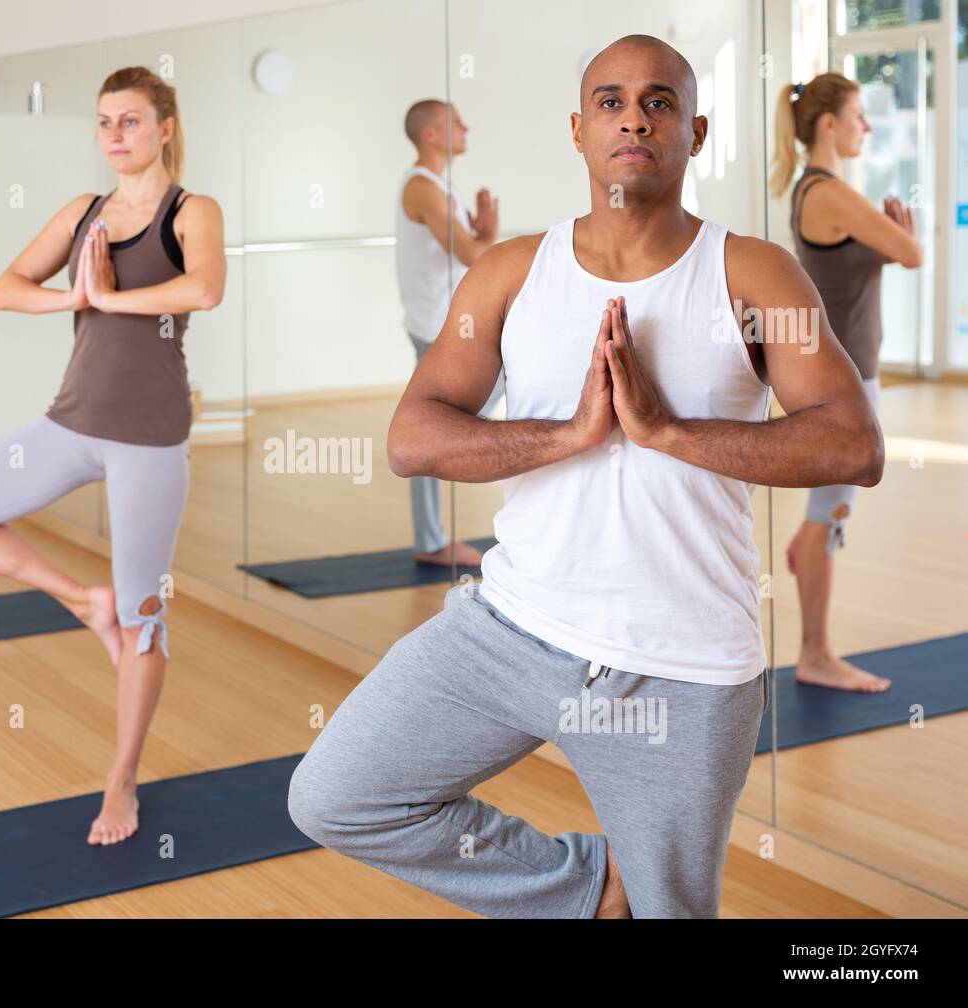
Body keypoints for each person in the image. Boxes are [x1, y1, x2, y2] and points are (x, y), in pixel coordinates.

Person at [289, 35, 883, 918]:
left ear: (696, 131)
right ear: (578, 130)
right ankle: (594, 888)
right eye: (610, 101)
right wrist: (572, 433)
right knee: (336, 796)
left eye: (659, 102)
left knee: (674, 911)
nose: (634, 118)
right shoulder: (510, 272)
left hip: (681, 668)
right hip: (508, 632)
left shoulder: (753, 272)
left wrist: (668, 430)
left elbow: (852, 447)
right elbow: (414, 437)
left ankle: (642, 891)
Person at [0, 67, 225, 847]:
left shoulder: (192, 211)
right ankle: (78, 599)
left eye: (130, 120)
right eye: (104, 122)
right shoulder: (83, 213)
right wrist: (75, 298)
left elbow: (205, 291)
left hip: (149, 440)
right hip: (70, 423)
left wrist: (112, 297)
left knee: (145, 623)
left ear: (165, 128)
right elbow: (5, 287)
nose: (115, 134)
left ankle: (121, 782)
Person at [771, 73, 921, 693]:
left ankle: (810, 547)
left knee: (827, 514)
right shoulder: (828, 191)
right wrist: (903, 234)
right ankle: (816, 654)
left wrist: (896, 238)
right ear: (829, 123)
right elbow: (913, 254)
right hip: (843, 382)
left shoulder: (825, 191)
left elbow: (887, 253)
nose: (869, 126)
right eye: (861, 114)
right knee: (833, 514)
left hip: (848, 373)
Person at [395, 99, 502, 567]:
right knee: (428, 426)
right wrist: (488, 234)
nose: (466, 125)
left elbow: (469, 250)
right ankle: (432, 540)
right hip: (437, 329)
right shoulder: (423, 187)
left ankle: (432, 535)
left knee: (434, 422)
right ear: (432, 134)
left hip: (443, 325)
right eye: (455, 120)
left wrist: (481, 234)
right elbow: (472, 256)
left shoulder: (438, 186)